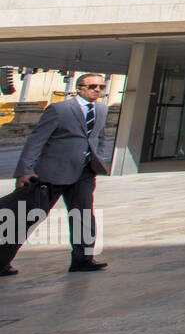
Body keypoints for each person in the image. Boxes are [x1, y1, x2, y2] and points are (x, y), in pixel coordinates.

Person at [1, 73, 112, 276]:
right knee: (30, 216)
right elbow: (36, 140)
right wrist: (25, 170)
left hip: (84, 172)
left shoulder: (102, 109)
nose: (97, 90)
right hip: (52, 173)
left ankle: (83, 259)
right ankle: (1, 261)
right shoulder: (59, 109)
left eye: (101, 86)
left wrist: (100, 159)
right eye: (92, 86)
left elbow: (100, 137)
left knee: (83, 215)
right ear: (79, 88)